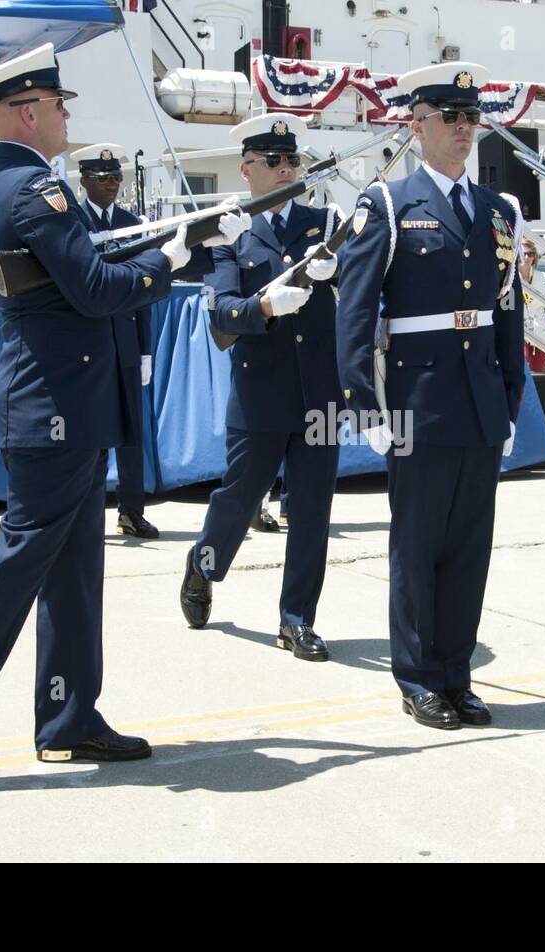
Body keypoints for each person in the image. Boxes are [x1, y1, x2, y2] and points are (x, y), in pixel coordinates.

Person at [0, 44, 248, 787]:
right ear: (26, 111)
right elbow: (96, 290)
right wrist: (170, 261)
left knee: (75, 571)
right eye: (58, 103)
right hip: (53, 410)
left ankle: (69, 717)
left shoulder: (25, 184)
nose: (68, 114)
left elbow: (96, 271)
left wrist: (184, 247)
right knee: (20, 567)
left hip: (62, 405)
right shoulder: (32, 188)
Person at [335, 64, 526, 729]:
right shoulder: (388, 205)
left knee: (469, 550)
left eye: (472, 117)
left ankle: (455, 674)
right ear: (416, 126)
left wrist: (510, 396)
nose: (464, 129)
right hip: (416, 405)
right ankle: (418, 677)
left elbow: (509, 311)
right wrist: (364, 405)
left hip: (477, 404)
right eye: (450, 117)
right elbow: (355, 313)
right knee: (417, 548)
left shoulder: (499, 210)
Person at [179, 113, 343, 662]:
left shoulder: (325, 221)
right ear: (246, 168)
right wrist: (266, 307)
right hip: (260, 390)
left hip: (318, 390)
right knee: (239, 496)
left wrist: (337, 270)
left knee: (314, 509)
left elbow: (360, 283)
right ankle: (203, 564)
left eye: (291, 160)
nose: (285, 169)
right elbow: (222, 315)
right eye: (273, 161)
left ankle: (297, 620)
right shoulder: (233, 233)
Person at [72, 142, 161, 540]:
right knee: (89, 433)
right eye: (102, 178)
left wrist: (144, 350)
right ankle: (85, 510)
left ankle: (131, 510)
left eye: (115, 177)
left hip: (124, 341)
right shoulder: (74, 223)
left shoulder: (132, 222)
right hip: (87, 345)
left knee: (130, 433)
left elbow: (142, 287)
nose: (110, 184)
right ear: (85, 181)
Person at [519, 236, 545, 374]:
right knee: (523, 375)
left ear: (535, 257)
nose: (527, 257)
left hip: (541, 334)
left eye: (530, 254)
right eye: (523, 254)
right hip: (519, 332)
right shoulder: (510, 277)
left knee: (538, 373)